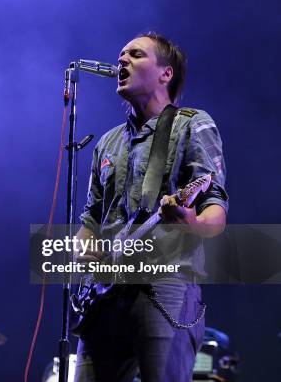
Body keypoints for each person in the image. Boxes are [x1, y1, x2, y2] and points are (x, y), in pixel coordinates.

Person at [72, 32, 229, 382]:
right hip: (102, 296)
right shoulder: (107, 143)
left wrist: (190, 220)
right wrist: (83, 251)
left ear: (165, 73)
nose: (122, 60)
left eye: (136, 54)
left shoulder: (192, 124)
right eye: (121, 55)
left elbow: (215, 211)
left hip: (164, 284)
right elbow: (91, 221)